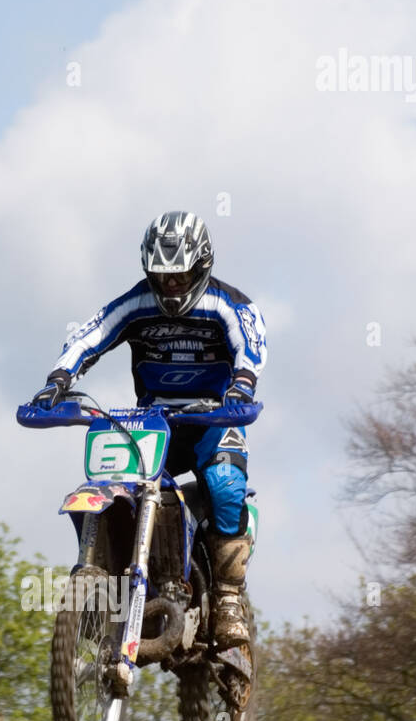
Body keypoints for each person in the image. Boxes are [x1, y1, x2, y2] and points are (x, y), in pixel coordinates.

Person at [30, 211, 266, 648]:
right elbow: (92, 333)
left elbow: (249, 343)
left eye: (180, 277)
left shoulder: (229, 304)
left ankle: (230, 596)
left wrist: (244, 382)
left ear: (202, 266)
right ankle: (110, 584)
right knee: (118, 485)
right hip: (155, 420)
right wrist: (58, 380)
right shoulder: (136, 303)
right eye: (162, 277)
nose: (171, 286)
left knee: (224, 483)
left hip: (215, 417)